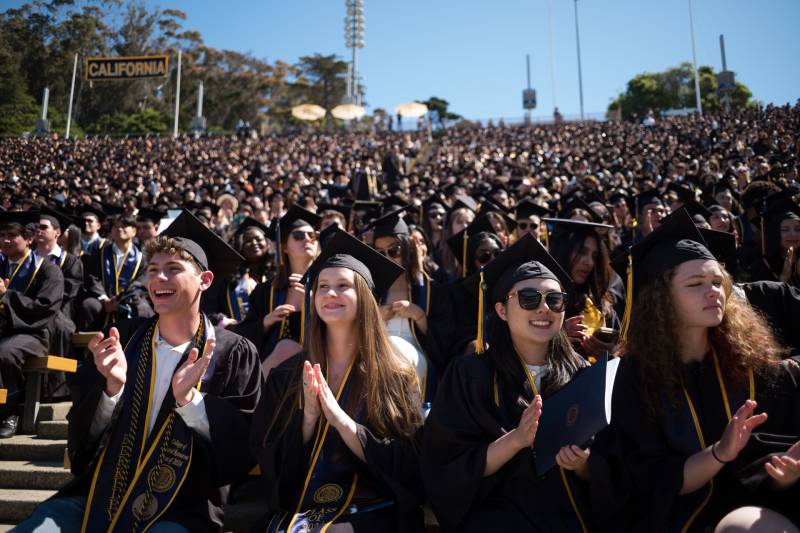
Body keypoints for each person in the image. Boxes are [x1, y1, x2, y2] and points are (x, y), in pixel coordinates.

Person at [11, 209, 262, 532]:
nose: (158, 279)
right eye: (153, 270)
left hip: (182, 503)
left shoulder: (232, 352)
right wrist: (111, 391)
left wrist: (191, 404)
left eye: (173, 270)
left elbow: (242, 448)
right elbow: (82, 440)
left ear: (205, 280)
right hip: (100, 491)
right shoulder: (123, 340)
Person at [598, 209, 800, 531]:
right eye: (695, 284)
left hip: (763, 505)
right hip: (686, 517)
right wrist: (719, 454)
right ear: (661, 299)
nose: (713, 292)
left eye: (717, 282)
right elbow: (649, 481)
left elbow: (774, 458)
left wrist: (785, 476)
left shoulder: (749, 361)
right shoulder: (633, 378)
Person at [249, 228, 425, 532]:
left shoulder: (395, 376)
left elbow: (406, 464)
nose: (330, 293)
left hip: (371, 510)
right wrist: (309, 419)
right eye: (323, 286)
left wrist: (342, 422)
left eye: (343, 285)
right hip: (302, 511)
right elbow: (269, 457)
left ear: (365, 298)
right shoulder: (289, 375)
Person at [422, 234, 593, 532]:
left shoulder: (581, 373)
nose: (544, 309)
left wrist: (583, 464)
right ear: (501, 310)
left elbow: (613, 468)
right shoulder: (470, 375)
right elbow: (445, 468)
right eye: (529, 299)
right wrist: (514, 441)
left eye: (555, 299)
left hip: (569, 518)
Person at [369, 210, 454, 400]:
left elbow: (445, 342)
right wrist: (375, 318)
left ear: (407, 248)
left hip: (417, 358)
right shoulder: (370, 290)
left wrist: (419, 316)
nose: (388, 258)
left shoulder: (433, 290)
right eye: (380, 253)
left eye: (394, 250)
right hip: (376, 357)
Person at [0, 211, 65, 438]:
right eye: (2, 235)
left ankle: (10, 411)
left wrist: (6, 296)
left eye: (11, 235)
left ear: (29, 239)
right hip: (3, 330)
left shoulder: (48, 270)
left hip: (33, 333)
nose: (5, 240)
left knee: (6, 353)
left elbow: (45, 307)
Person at [236, 205, 320, 372]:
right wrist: (265, 322)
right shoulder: (266, 291)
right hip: (271, 375)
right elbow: (243, 335)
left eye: (312, 235)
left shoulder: (326, 287)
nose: (307, 239)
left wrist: (312, 304)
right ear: (284, 247)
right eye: (298, 236)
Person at [547, 218, 621, 360]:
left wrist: (610, 355)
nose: (589, 262)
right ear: (564, 252)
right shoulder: (542, 301)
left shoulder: (601, 306)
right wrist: (557, 338)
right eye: (581, 252)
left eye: (594, 256)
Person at [78, 213, 153, 330]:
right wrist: (104, 299)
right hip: (103, 299)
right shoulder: (99, 253)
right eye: (115, 226)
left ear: (134, 231)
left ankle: (138, 343)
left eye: (124, 226)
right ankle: (88, 345)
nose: (119, 229)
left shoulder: (141, 258)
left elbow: (140, 283)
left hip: (129, 299)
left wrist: (120, 299)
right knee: (89, 305)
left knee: (143, 308)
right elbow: (92, 277)